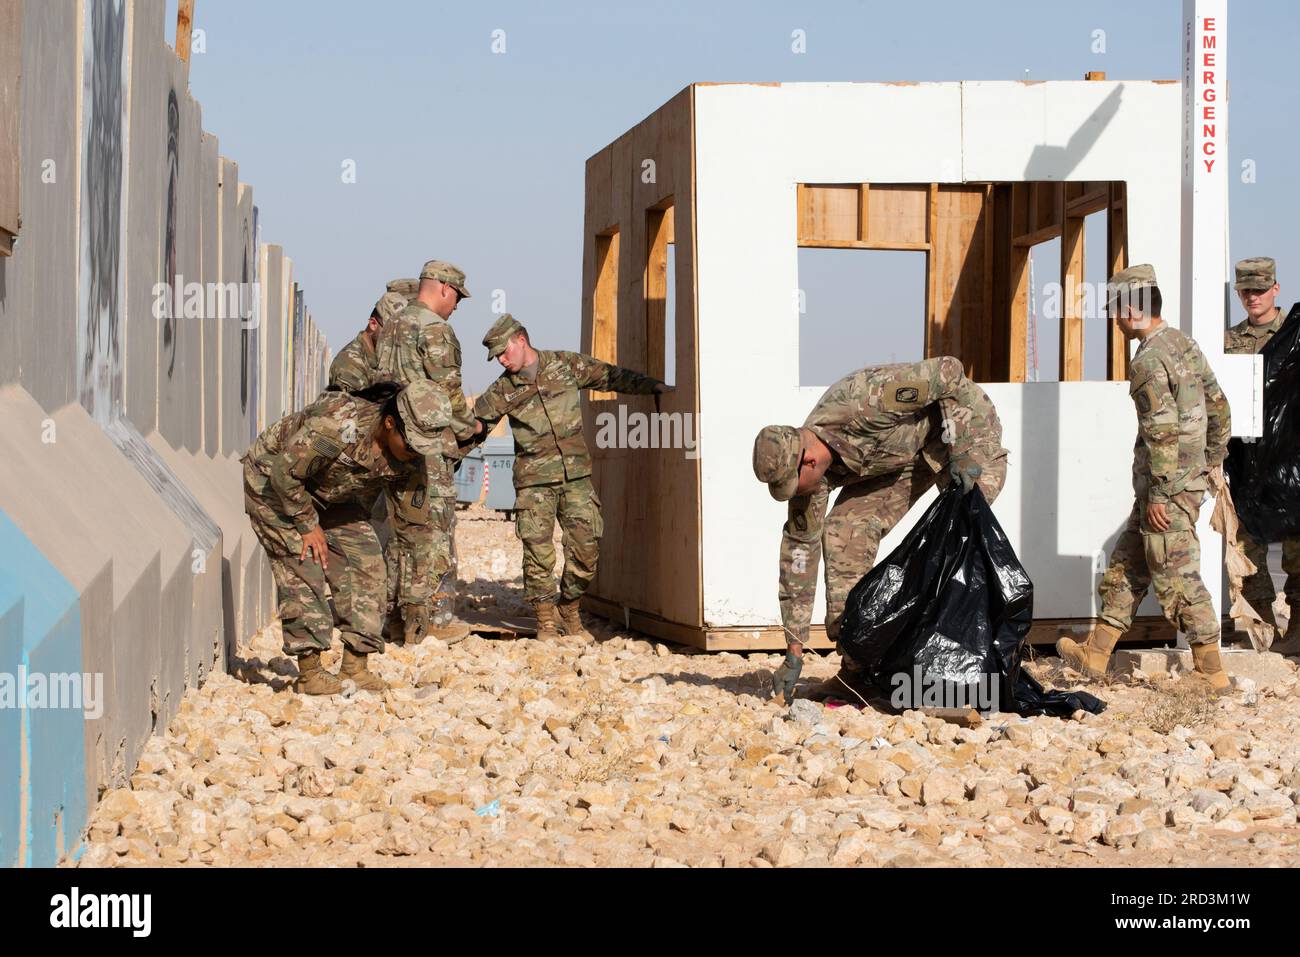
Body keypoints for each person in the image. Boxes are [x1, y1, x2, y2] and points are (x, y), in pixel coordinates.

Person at [752, 356, 1007, 704]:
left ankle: (969, 668)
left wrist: (960, 448)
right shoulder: (811, 481)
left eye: (793, 484)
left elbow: (948, 372)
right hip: (902, 460)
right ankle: (857, 668)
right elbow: (798, 555)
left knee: (959, 526)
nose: (796, 494)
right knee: (842, 531)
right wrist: (794, 648)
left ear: (807, 460)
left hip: (963, 431)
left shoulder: (863, 402)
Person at [1057, 264, 1233, 691]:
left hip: (1167, 490)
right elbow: (1220, 407)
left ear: (1132, 308)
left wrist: (1160, 494)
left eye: (1116, 311)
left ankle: (1211, 673)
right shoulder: (1183, 345)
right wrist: (1209, 466)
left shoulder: (1149, 360)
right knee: (1128, 564)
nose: (1115, 320)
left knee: (1178, 577)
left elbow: (1162, 432)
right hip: (1180, 484)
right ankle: (1096, 653)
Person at [242, 381, 454, 694]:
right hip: (273, 482)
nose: (415, 456)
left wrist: (416, 599)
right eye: (411, 446)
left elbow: (416, 533)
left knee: (367, 561)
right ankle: (310, 674)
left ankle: (355, 668)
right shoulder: (341, 423)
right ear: (389, 423)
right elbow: (286, 475)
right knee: (305, 559)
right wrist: (306, 523)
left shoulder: (411, 460)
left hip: (332, 496)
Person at [473, 313, 671, 639]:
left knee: (586, 546)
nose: (502, 360)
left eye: (504, 352)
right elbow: (476, 425)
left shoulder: (564, 365)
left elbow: (610, 376)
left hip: (576, 476)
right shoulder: (502, 389)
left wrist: (653, 386)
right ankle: (545, 620)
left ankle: (570, 606)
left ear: (521, 340)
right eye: (496, 357)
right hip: (534, 483)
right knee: (538, 553)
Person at [374, 260, 479, 643]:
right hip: (427, 448)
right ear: (445, 290)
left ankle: (396, 618)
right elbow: (449, 395)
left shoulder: (391, 327)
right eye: (457, 300)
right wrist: (472, 429)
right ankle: (434, 617)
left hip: (391, 443)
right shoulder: (436, 330)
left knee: (397, 530)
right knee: (432, 530)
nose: (456, 307)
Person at [1222, 256, 1300, 655]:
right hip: (1246, 458)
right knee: (1246, 544)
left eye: (1260, 289)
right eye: (1245, 291)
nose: (1252, 297)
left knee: (1296, 543)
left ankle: (1298, 628)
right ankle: (1264, 626)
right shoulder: (1229, 341)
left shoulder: (1294, 334)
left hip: (1289, 459)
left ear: (1276, 289)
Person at [327, 291, 408, 393]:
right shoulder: (349, 365)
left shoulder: (385, 356)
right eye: (390, 331)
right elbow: (350, 407)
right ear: (373, 324)